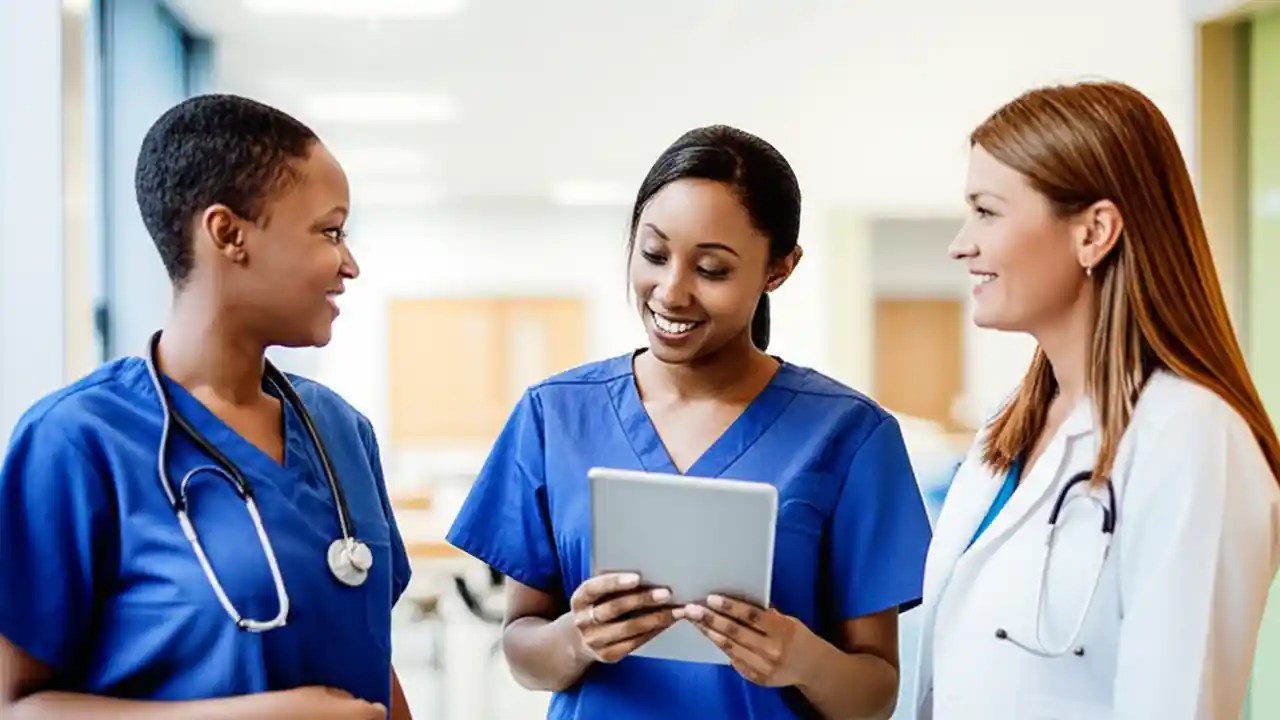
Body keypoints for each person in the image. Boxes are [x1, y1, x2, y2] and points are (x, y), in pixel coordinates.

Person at [446, 124, 932, 719]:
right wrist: (579, 637)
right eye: (653, 255)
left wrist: (799, 658)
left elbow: (874, 696)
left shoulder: (851, 436)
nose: (671, 293)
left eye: (712, 269)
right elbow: (523, 649)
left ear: (779, 268)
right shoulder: (556, 415)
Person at [0, 94, 412, 719]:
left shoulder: (341, 432)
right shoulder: (78, 441)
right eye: (329, 231)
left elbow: (365, 656)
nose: (348, 263)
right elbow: (16, 705)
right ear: (228, 233)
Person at [913, 80, 1280, 719]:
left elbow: (1178, 701)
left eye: (987, 211)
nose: (960, 243)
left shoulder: (1190, 436)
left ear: (1094, 232)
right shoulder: (1009, 428)